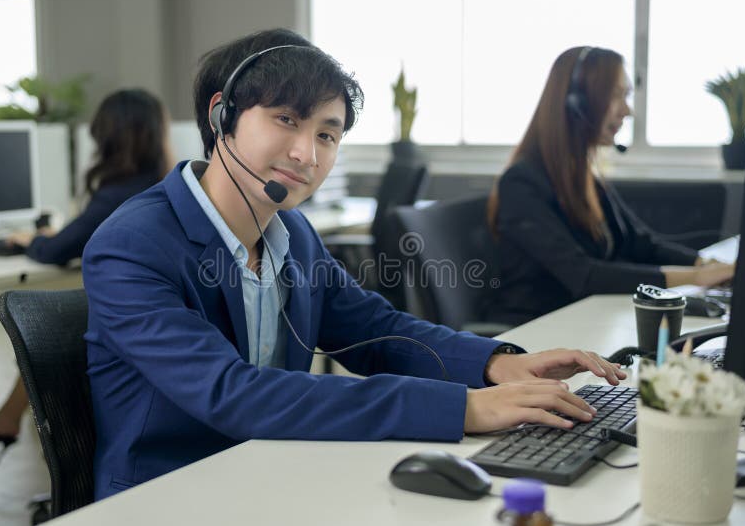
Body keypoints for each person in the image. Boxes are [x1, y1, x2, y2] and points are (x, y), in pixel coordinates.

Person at [82, 29, 626, 501]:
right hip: (170, 495)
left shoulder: (290, 231)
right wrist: (466, 408)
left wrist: (492, 365)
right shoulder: (131, 245)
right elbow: (233, 394)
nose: (307, 154)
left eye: (326, 133)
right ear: (222, 114)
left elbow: (375, 332)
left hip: (276, 472)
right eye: (286, 119)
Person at [0, 88, 171, 457]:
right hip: (158, 322)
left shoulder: (117, 192)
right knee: (53, 333)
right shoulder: (161, 184)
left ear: (111, 136)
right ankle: (8, 421)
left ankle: (8, 423)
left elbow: (55, 252)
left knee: (43, 336)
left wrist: (32, 241)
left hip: (132, 330)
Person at [487, 46, 735, 326]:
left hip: (586, 319)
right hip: (536, 329)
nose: (627, 111)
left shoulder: (584, 176)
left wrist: (703, 264)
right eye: (617, 95)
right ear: (577, 103)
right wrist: (696, 277)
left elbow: (640, 244)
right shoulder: (522, 184)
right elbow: (584, 275)